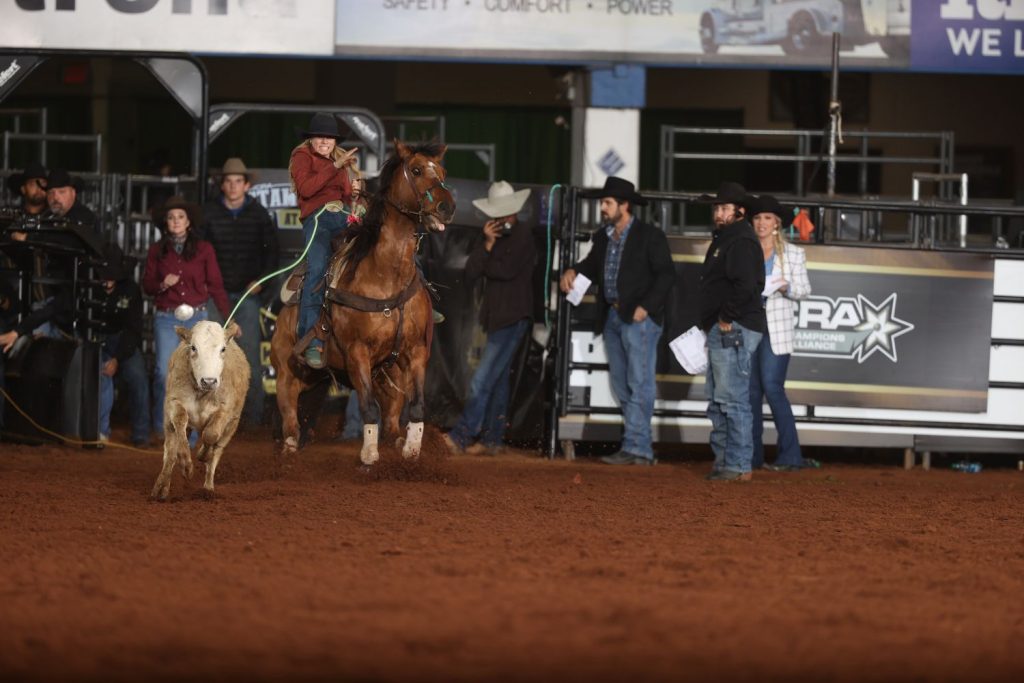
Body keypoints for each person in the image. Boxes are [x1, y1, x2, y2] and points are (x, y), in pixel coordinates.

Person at [559, 177, 675, 466]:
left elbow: (666, 275)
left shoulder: (649, 236)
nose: (603, 208)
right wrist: (573, 270)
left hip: (637, 318)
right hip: (614, 314)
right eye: (602, 202)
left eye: (607, 203)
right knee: (623, 383)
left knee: (637, 382)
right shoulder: (604, 236)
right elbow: (591, 266)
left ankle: (639, 447)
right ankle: (636, 444)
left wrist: (645, 307)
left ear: (624, 205)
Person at [444, 181, 536, 455]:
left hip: (511, 318)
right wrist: (486, 245)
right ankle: (492, 439)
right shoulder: (497, 238)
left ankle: (462, 435)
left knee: (482, 381)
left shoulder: (523, 237)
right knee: (495, 382)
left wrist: (487, 248)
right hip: (501, 318)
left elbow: (503, 270)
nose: (500, 219)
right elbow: (472, 272)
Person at [142, 196, 231, 437]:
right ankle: (164, 428)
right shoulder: (156, 251)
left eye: (180, 217)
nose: (176, 221)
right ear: (165, 222)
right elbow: (147, 286)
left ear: (188, 222)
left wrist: (227, 317)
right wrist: (162, 284)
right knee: (163, 372)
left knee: (198, 374)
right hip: (167, 318)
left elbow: (215, 285)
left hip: (196, 319)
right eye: (171, 217)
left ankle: (192, 432)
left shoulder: (204, 250)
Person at [201, 157, 279, 426]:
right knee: (209, 358)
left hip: (247, 296)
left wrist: (262, 282)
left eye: (238, 181)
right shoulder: (208, 214)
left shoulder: (259, 215)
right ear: (222, 186)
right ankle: (211, 417)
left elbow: (273, 256)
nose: (233, 186)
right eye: (228, 181)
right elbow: (199, 253)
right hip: (215, 295)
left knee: (246, 359)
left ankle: (252, 419)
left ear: (246, 185)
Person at [698, 181, 766, 481]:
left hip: (732, 325)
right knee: (719, 397)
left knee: (730, 398)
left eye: (724, 207)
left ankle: (737, 464)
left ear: (739, 211)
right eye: (717, 207)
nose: (718, 212)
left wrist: (726, 316)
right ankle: (728, 462)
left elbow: (747, 286)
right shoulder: (732, 238)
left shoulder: (739, 241)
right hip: (726, 324)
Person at [746, 195, 816, 472]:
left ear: (777, 223)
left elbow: (804, 290)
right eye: (757, 218)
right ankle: (752, 457)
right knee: (751, 392)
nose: (761, 223)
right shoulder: (745, 251)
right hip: (749, 324)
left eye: (766, 218)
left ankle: (790, 456)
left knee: (773, 389)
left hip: (777, 330)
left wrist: (786, 286)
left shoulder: (793, 254)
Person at [288, 112, 361, 369]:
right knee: (317, 269)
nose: (325, 141)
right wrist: (336, 167)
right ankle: (311, 340)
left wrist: (354, 193)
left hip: (341, 216)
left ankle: (417, 299)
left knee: (381, 238)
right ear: (311, 139)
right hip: (317, 219)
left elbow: (342, 195)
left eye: (329, 137)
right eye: (320, 136)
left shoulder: (336, 161)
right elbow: (307, 189)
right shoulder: (302, 157)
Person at [94, 245, 151, 446]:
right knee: (102, 377)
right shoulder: (90, 287)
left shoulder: (131, 290)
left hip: (123, 340)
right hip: (97, 338)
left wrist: (117, 357)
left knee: (138, 379)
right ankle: (99, 431)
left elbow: (133, 329)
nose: (106, 281)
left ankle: (141, 434)